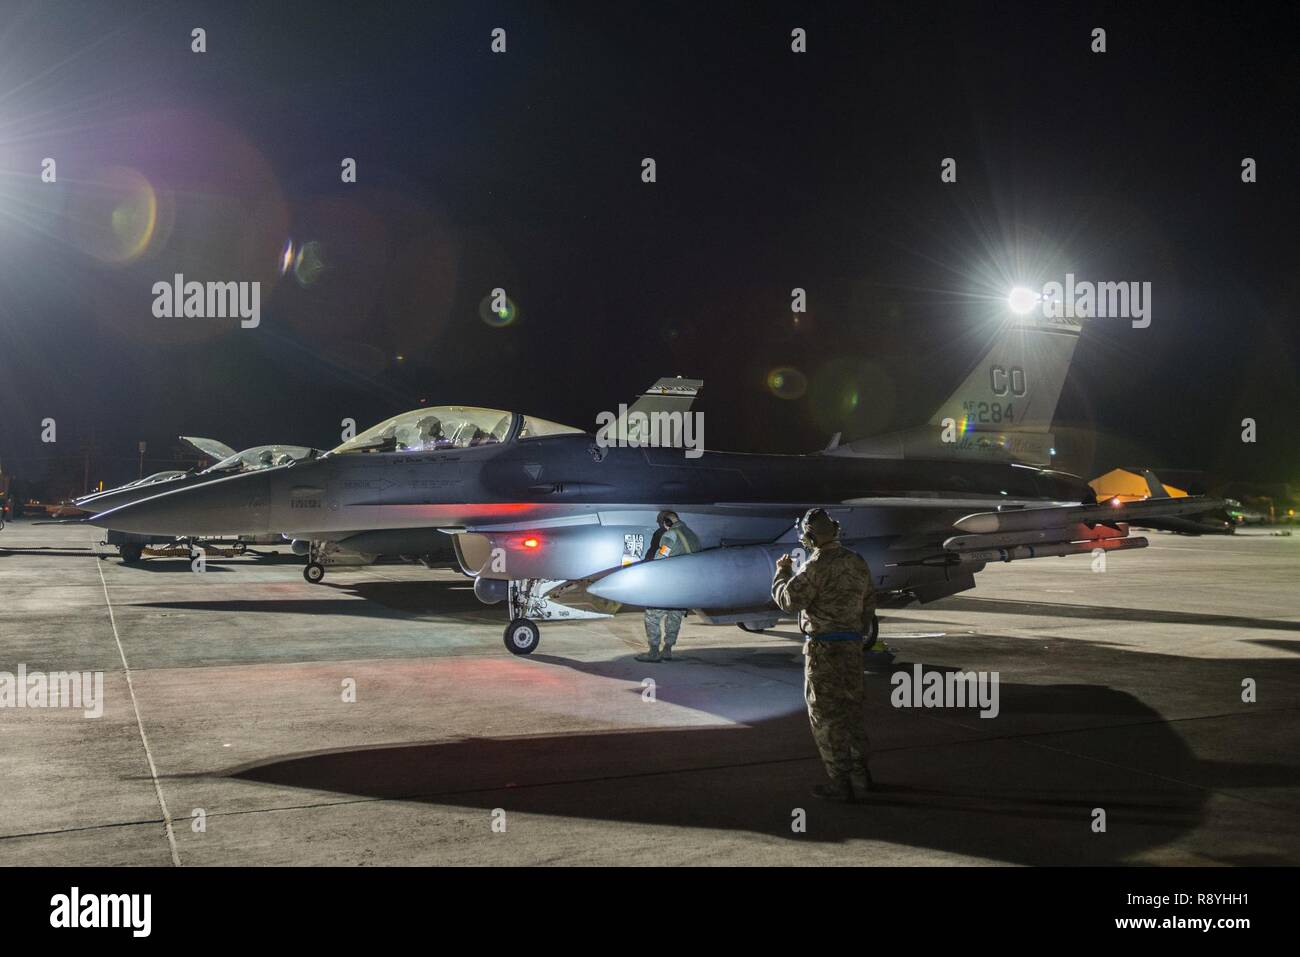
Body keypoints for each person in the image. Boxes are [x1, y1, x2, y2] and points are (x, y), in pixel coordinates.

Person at [772, 508, 877, 802]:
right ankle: (862, 776)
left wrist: (782, 573)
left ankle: (839, 783)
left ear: (809, 536)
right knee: (852, 712)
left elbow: (789, 601)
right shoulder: (857, 562)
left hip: (823, 652)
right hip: (852, 648)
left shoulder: (814, 567)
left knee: (826, 717)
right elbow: (869, 602)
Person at [635, 510, 699, 663]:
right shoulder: (692, 535)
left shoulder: (670, 535)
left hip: (669, 584)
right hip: (685, 586)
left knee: (652, 616)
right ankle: (668, 650)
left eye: (662, 523)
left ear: (667, 522)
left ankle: (654, 652)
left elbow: (661, 558)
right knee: (674, 617)